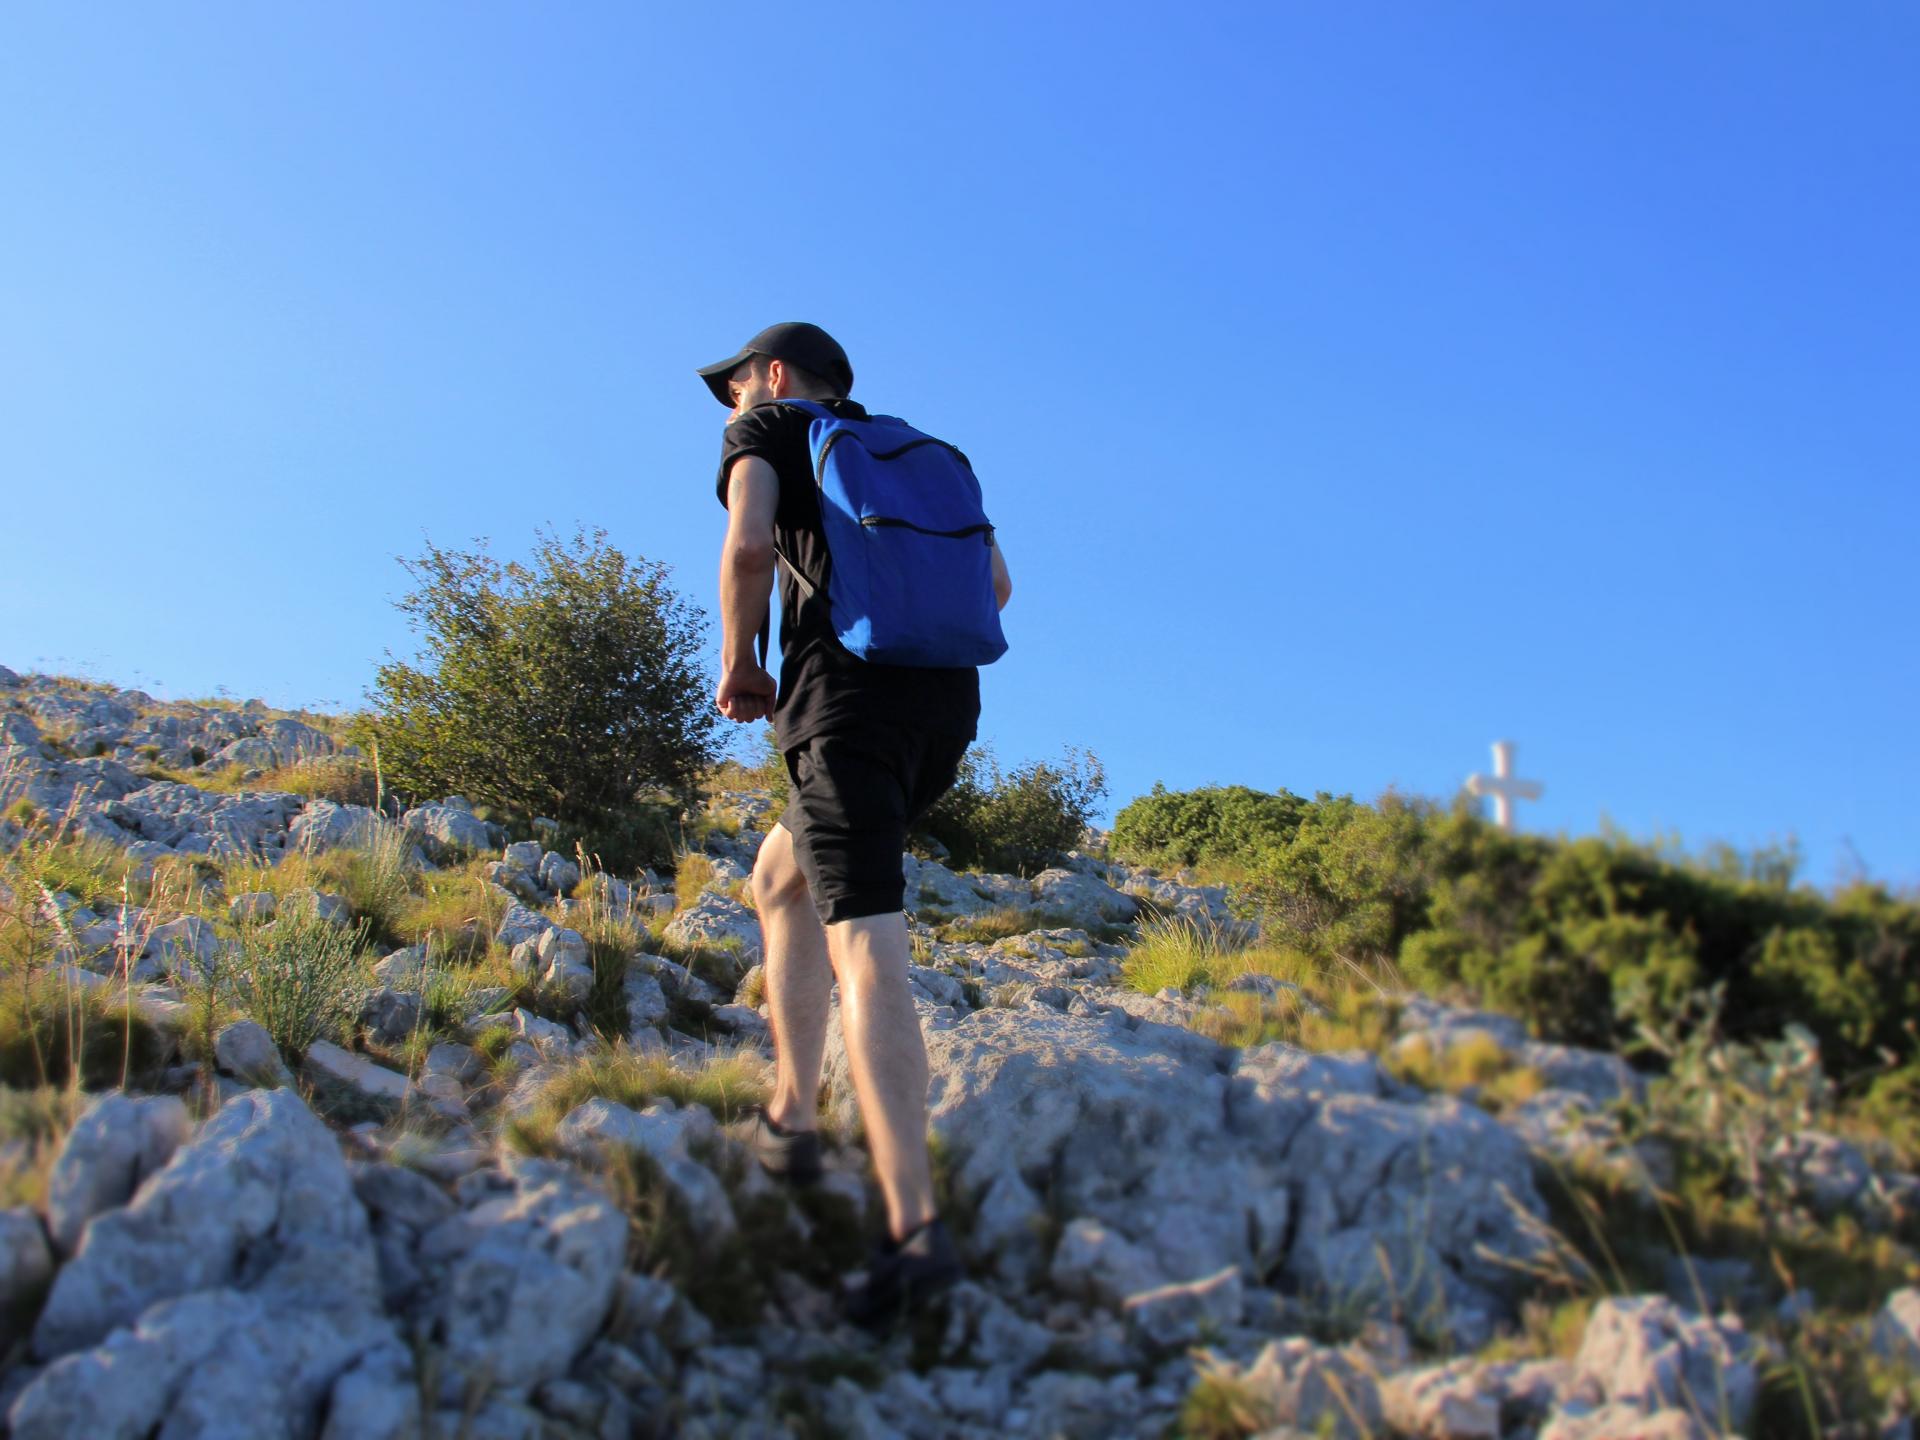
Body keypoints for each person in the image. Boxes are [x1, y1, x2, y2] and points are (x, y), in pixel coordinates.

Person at [697, 322, 1012, 1326]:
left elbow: (749, 545)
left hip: (844, 709)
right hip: (944, 713)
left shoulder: (771, 431)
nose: (731, 406)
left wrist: (742, 659)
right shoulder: (928, 453)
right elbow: (996, 587)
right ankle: (793, 1115)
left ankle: (917, 1235)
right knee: (778, 877)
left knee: (869, 949)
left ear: (776, 377)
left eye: (735, 387)